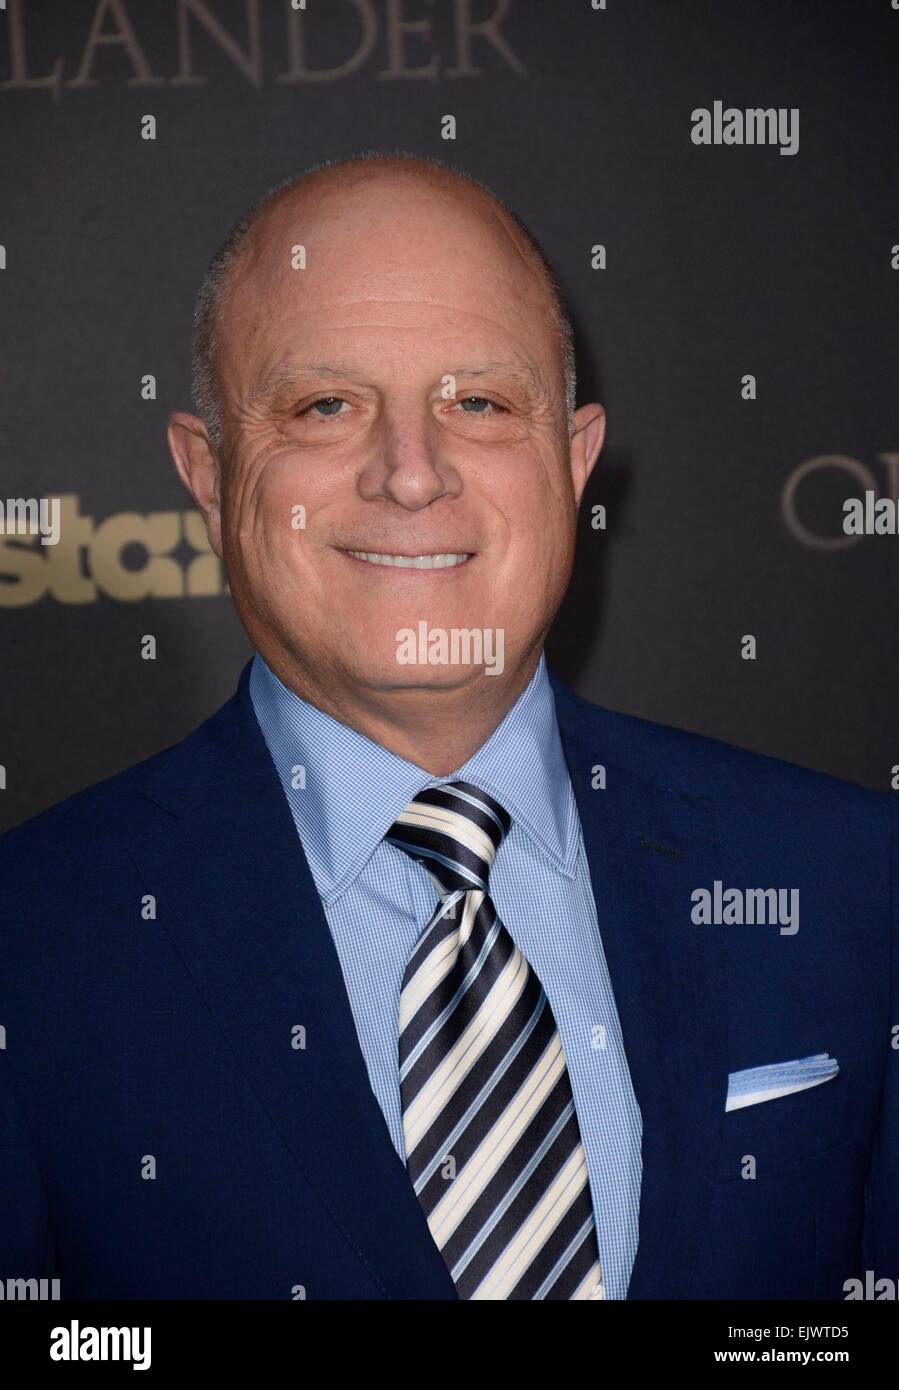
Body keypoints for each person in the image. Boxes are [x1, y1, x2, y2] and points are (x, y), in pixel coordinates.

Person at [1, 152, 895, 1300]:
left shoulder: (854, 886)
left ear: (571, 465)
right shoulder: (31, 949)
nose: (410, 474)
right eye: (325, 406)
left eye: (477, 402)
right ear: (209, 475)